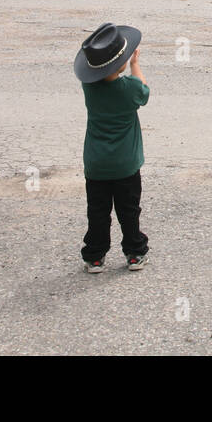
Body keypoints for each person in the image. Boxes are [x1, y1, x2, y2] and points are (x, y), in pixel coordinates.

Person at [73, 22, 150, 273]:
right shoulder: (130, 89)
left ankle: (95, 256)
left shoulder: (89, 88)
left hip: (96, 164)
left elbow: (96, 74)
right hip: (126, 165)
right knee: (129, 210)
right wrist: (135, 64)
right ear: (122, 63)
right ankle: (134, 253)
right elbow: (143, 91)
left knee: (97, 212)